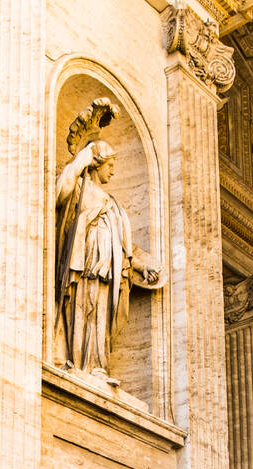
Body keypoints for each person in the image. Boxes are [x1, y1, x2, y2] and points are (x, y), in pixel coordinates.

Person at [55, 139, 160, 383]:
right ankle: (80, 363)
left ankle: (97, 365)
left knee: (101, 312)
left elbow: (126, 246)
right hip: (85, 263)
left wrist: (144, 266)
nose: (112, 170)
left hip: (109, 269)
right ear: (96, 164)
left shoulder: (113, 202)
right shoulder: (81, 188)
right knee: (84, 306)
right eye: (109, 164)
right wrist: (81, 160)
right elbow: (60, 192)